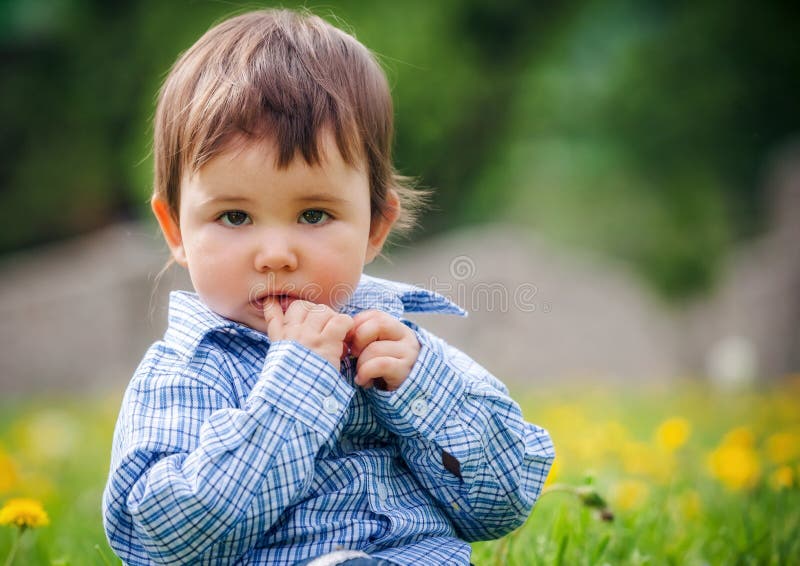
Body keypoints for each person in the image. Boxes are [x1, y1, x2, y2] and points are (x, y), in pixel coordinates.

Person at [102, 8, 554, 566]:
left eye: (314, 214)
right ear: (175, 230)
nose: (276, 254)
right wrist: (296, 388)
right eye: (235, 217)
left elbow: (504, 502)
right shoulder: (188, 373)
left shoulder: (395, 347)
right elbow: (162, 541)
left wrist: (425, 388)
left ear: (374, 227)